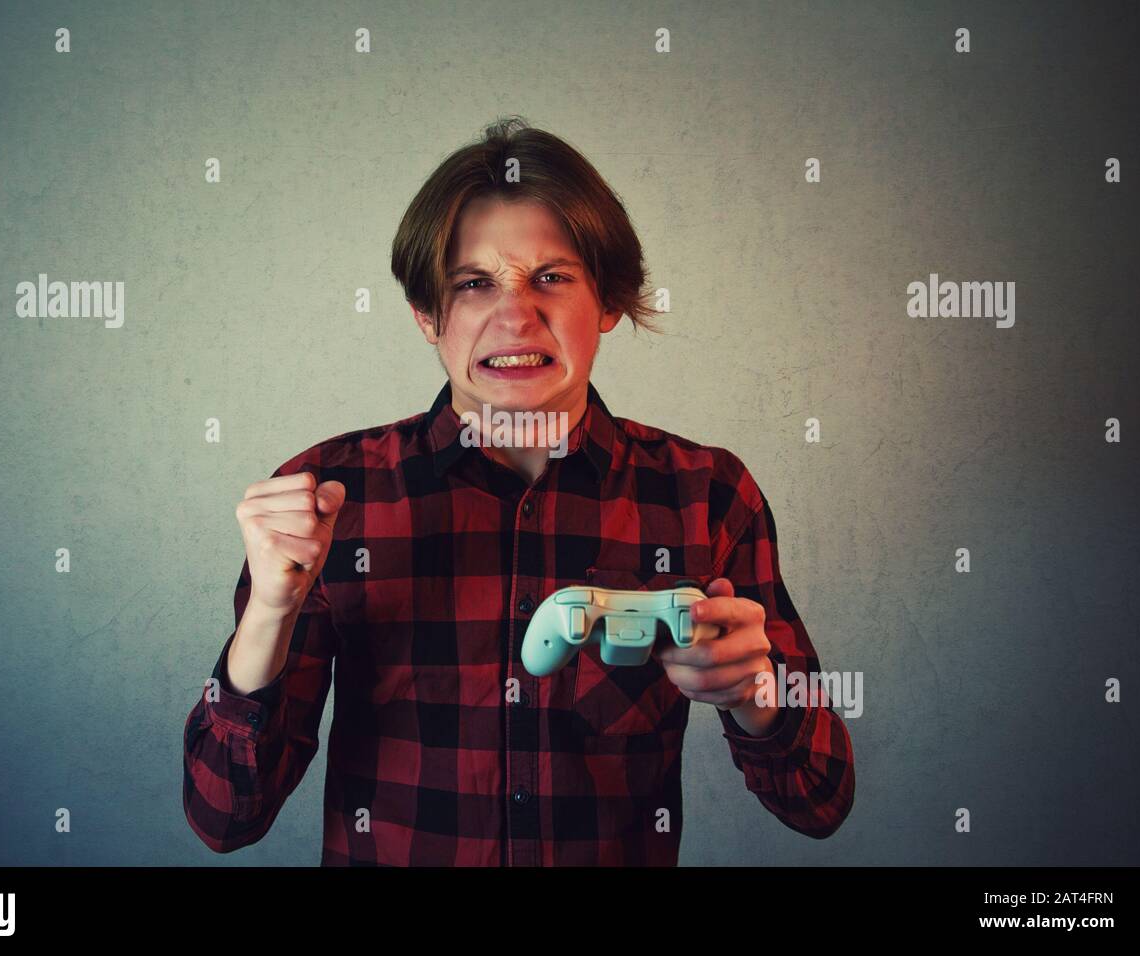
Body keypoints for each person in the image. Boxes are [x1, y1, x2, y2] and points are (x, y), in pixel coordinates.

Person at [183, 116, 855, 865]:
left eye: (553, 277)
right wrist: (271, 613)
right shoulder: (331, 498)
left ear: (607, 304)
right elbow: (224, 818)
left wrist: (755, 697)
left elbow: (821, 800)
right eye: (474, 284)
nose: (515, 314)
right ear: (427, 318)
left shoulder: (707, 495)